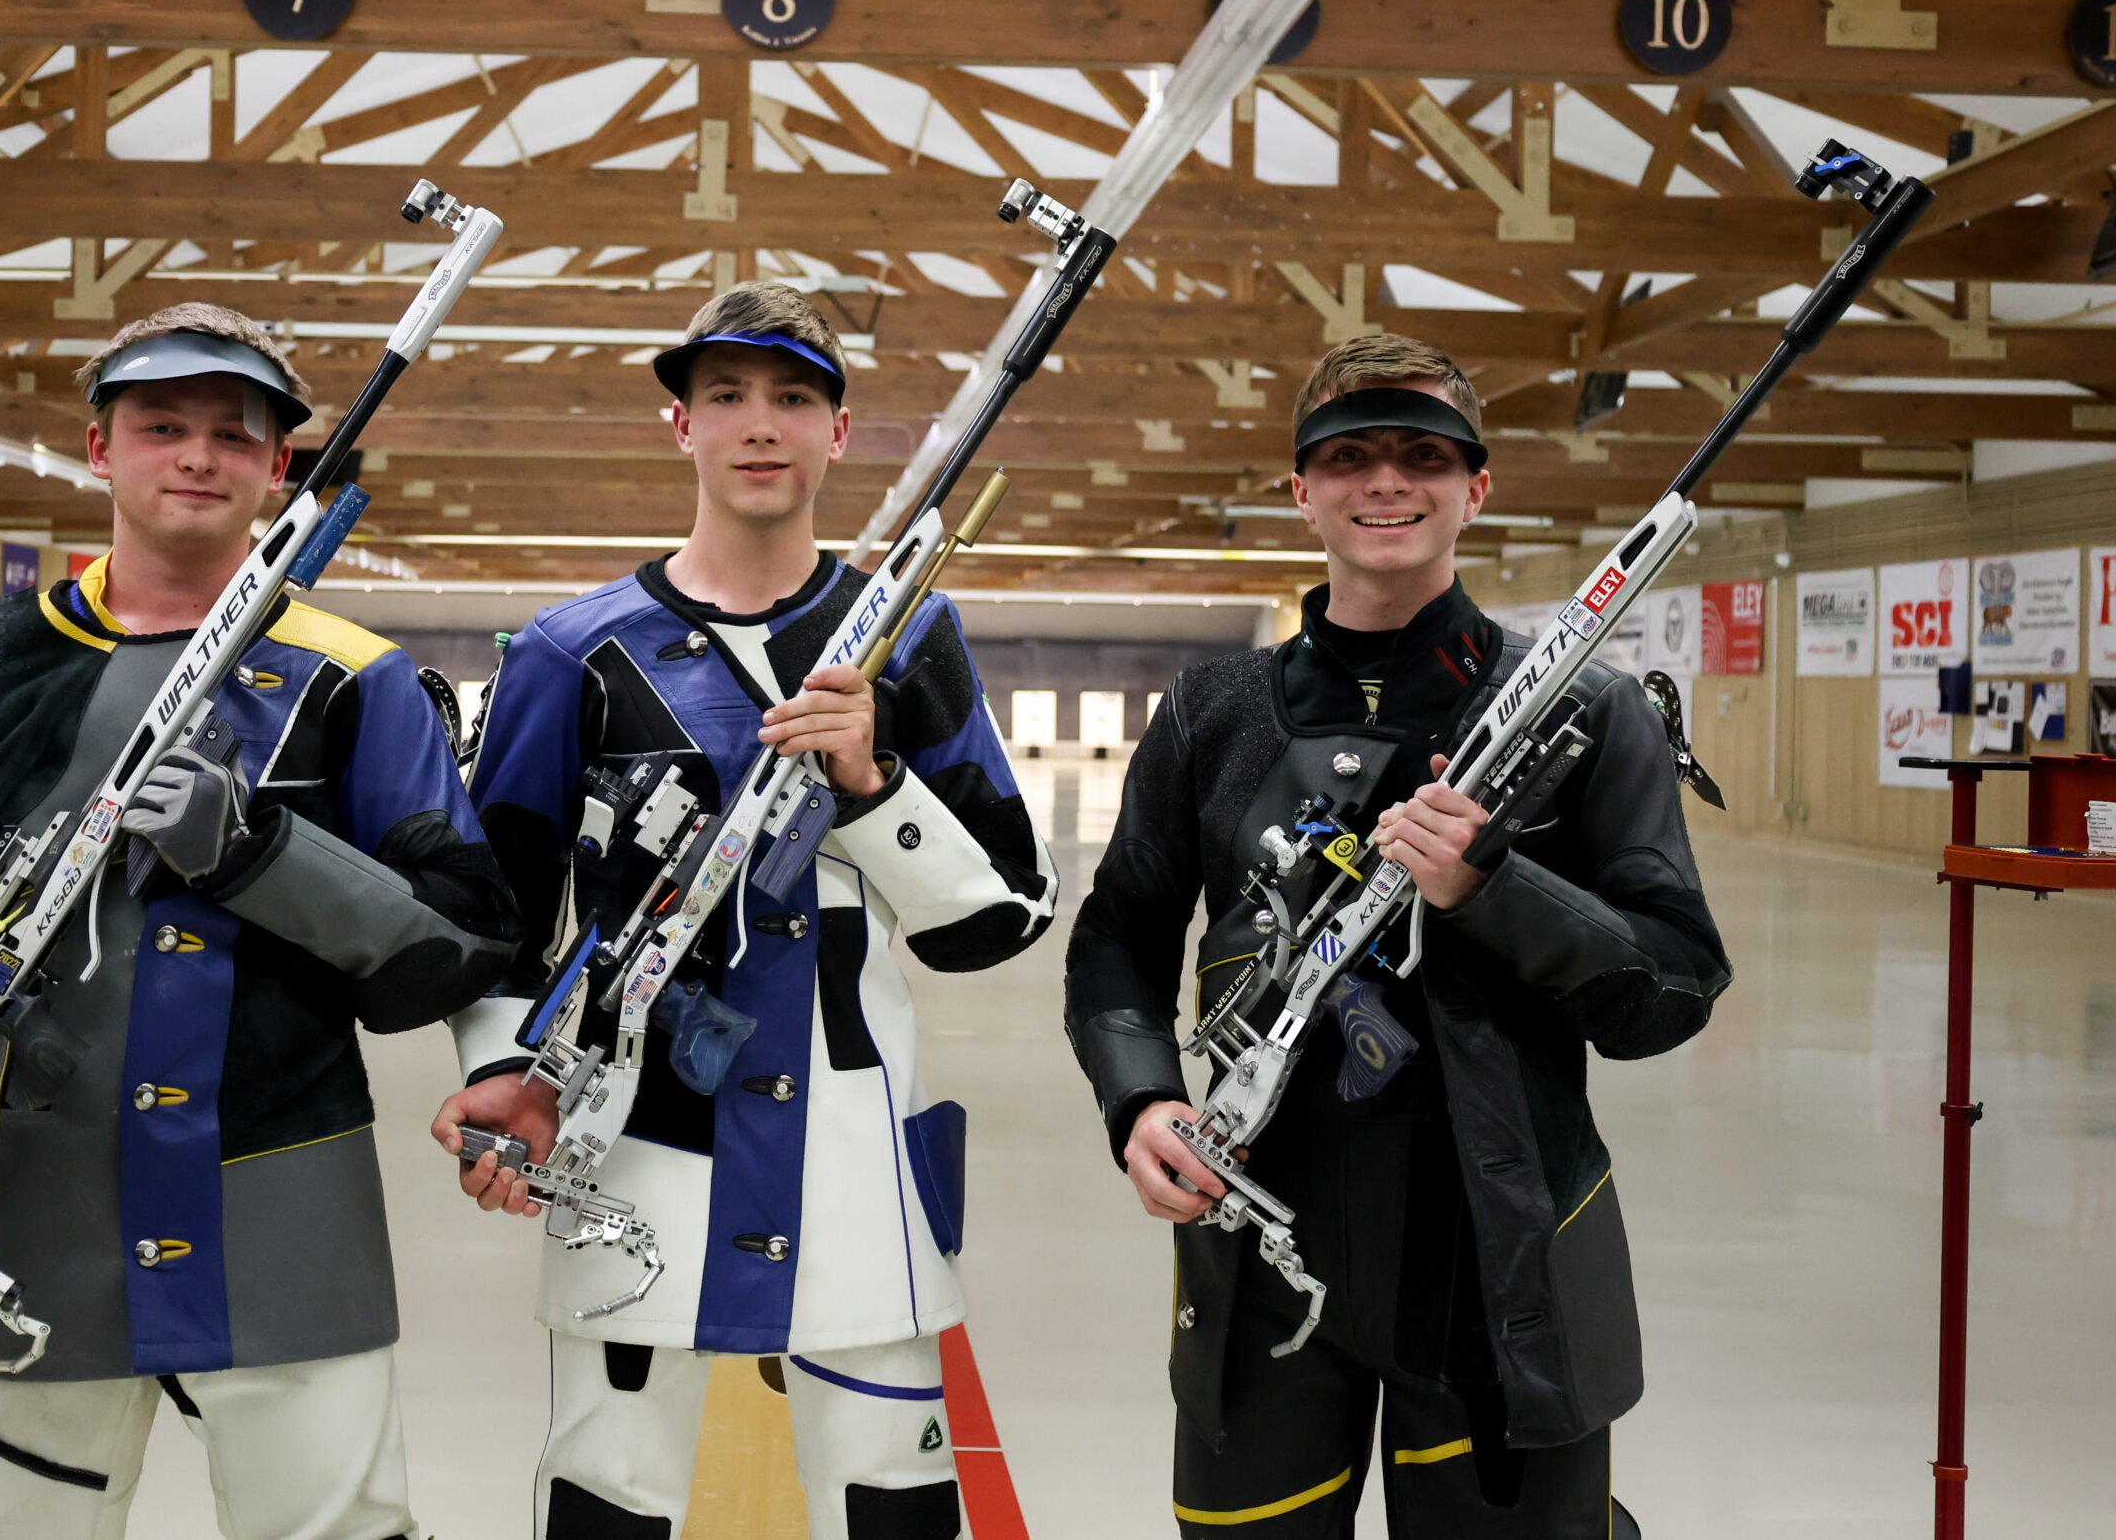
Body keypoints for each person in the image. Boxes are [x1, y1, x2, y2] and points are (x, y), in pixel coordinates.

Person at [0, 302, 521, 1540]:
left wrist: (257, 856)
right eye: (161, 426)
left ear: (278, 465)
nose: (197, 455)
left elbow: (456, 950)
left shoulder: (355, 679)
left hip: (285, 1201)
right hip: (30, 1212)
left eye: (233, 434)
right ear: (100, 447)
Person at [1064, 333, 1730, 1537]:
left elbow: (1672, 989)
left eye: (1424, 455)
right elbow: (1118, 933)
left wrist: (1492, 889)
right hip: (1257, 1249)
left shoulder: (1587, 712)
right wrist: (1141, 1100)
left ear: (1476, 487)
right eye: (1348, 455)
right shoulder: (1212, 712)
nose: (1385, 481)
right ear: (1300, 488)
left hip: (1503, 1264)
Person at [434, 281, 1057, 1539]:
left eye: (792, 397)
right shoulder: (571, 652)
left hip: (854, 1153)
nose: (759, 423)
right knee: (609, 1493)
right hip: (632, 1144)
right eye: (725, 395)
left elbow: (1003, 916)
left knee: (891, 1492)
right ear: (681, 425)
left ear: (839, 431)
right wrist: (506, 1070)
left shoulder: (907, 637)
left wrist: (873, 787)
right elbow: (492, 917)